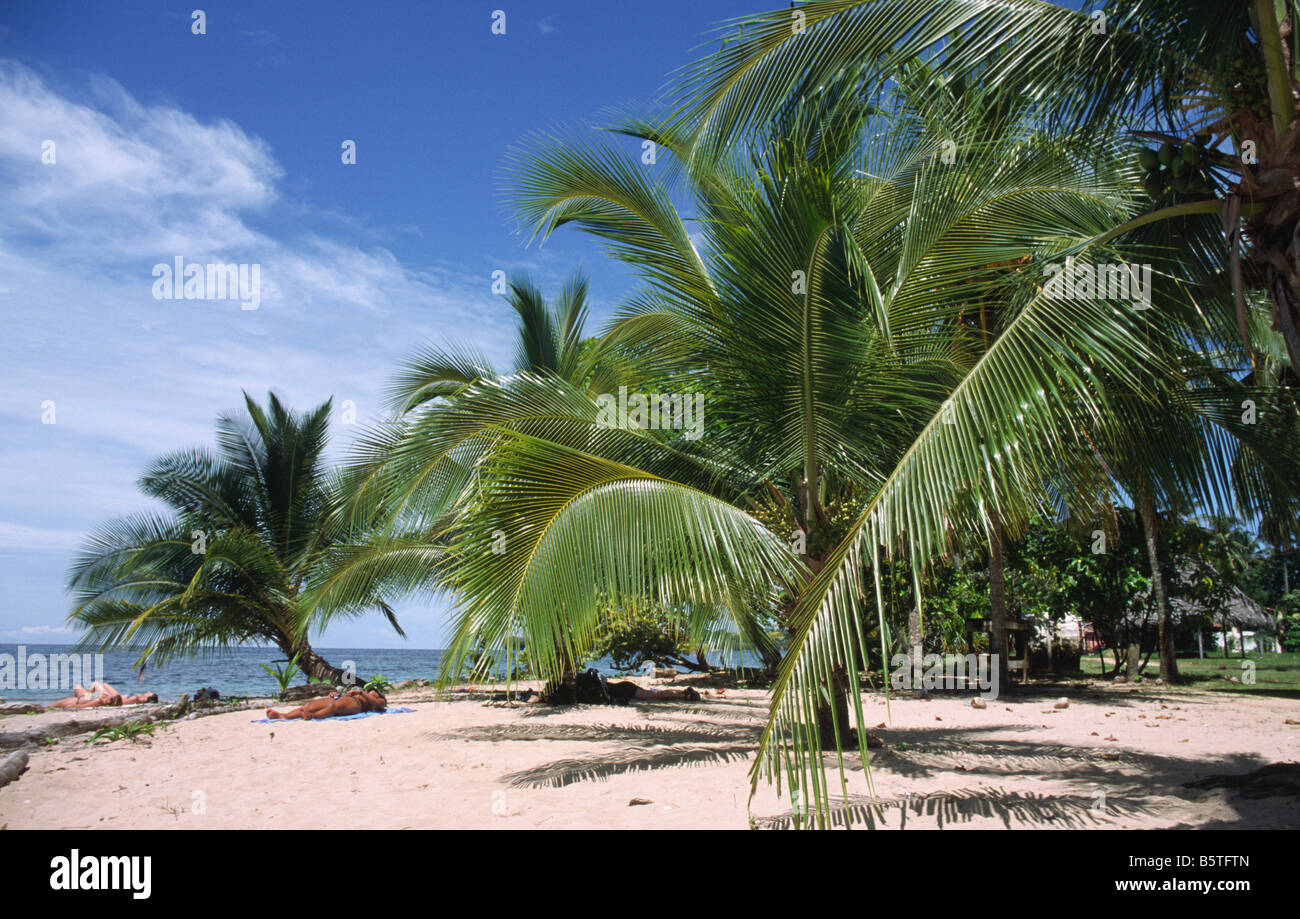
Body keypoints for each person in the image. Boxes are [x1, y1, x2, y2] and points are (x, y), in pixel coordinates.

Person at [265, 687, 387, 720]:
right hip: (344, 699)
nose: (372, 691)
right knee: (308, 706)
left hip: (356, 704)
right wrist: (337, 695)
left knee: (333, 707)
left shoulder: (381, 699)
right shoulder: (365, 693)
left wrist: (360, 692)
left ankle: (312, 716)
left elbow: (379, 704)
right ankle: (283, 716)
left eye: (374, 691)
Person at [47, 682, 159, 709]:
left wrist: (110, 700)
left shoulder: (138, 698)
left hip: (106, 699)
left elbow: (121, 703)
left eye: (150, 692)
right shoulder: (138, 698)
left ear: (150, 696)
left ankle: (85, 696)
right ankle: (85, 695)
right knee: (78, 689)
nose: (149, 691)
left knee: (78, 688)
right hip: (108, 699)